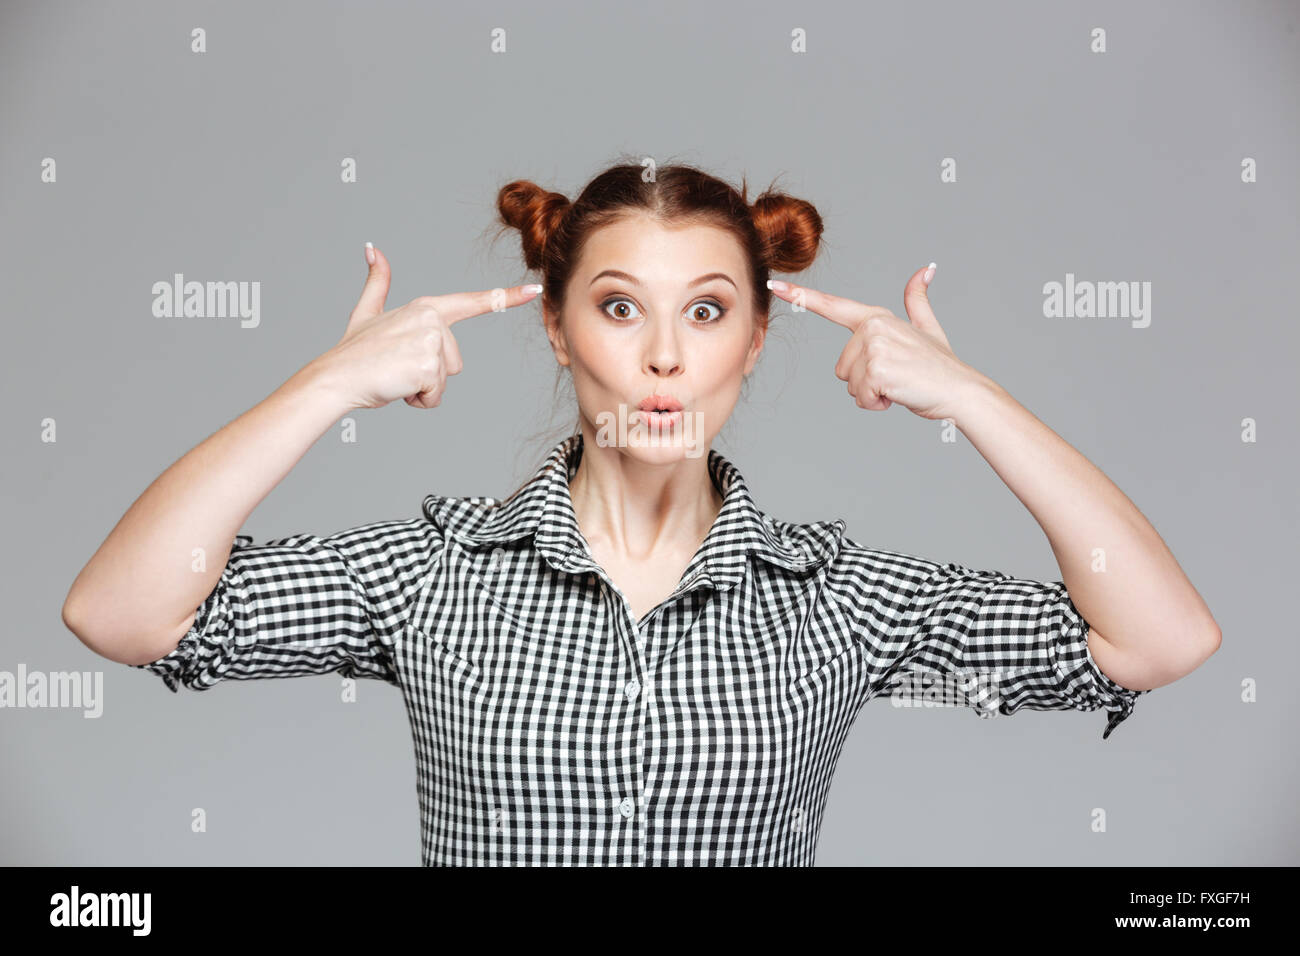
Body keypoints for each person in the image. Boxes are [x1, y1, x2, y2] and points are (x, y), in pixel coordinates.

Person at [61, 161, 1221, 866]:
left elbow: (1158, 638)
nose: (664, 356)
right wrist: (323, 386)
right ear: (558, 328)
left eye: (708, 312)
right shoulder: (432, 572)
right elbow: (120, 610)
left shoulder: (837, 600)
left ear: (757, 338)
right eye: (619, 307)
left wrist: (973, 397)